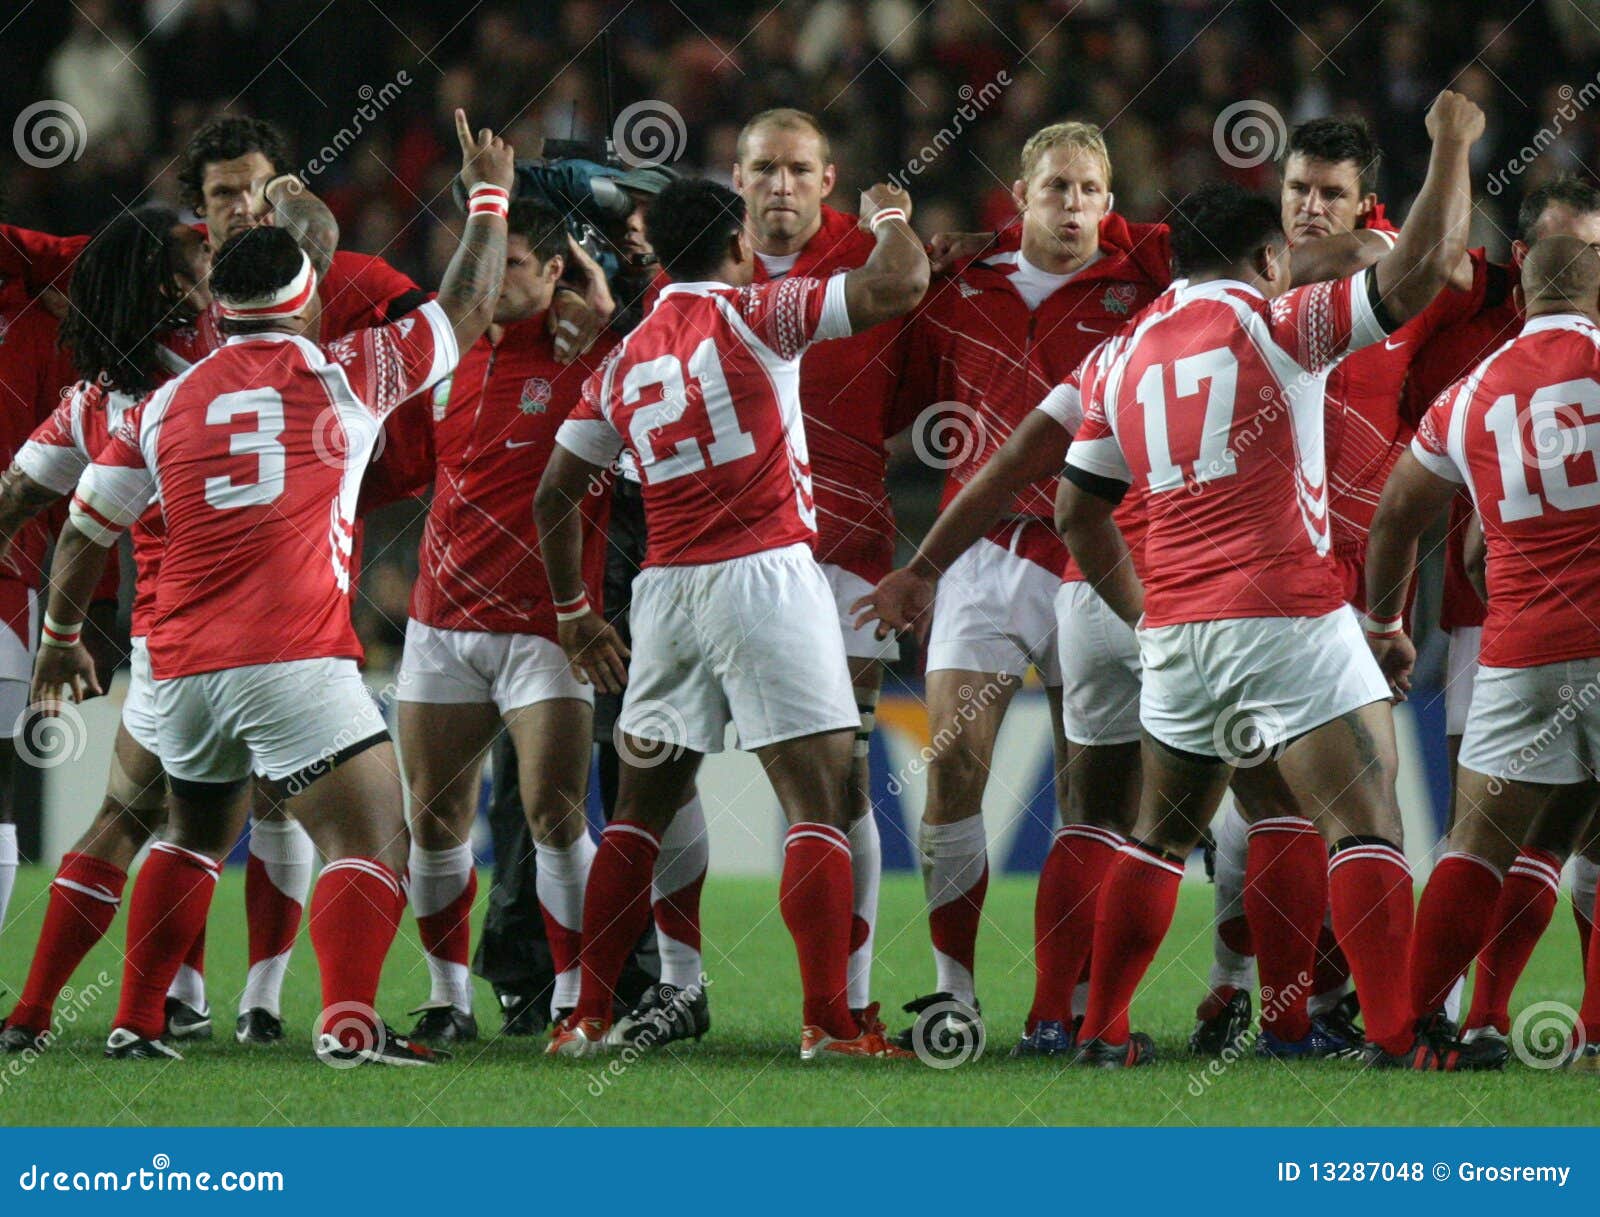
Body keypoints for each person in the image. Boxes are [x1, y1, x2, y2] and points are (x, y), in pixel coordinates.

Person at [30, 110, 512, 1066]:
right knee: (370, 839)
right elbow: (463, 309)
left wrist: (59, 633)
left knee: (182, 834)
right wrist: (487, 197)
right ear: (305, 299)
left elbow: (84, 528)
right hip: (293, 654)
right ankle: (347, 1023)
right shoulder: (347, 374)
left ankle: (134, 1018)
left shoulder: (165, 403)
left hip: (177, 666)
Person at [1054, 90, 1491, 1069]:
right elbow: (1417, 270)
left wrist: (1146, 607)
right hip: (1285, 611)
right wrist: (1453, 146)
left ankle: (1100, 1028)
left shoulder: (1117, 361)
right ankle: (1392, 1035)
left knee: (1156, 836)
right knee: (1365, 821)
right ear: (1263, 257)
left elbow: (1075, 510)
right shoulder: (1278, 322)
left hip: (1174, 632)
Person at [534, 175, 928, 1060]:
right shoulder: (761, 312)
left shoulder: (626, 355)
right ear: (742, 242)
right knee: (817, 800)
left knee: (639, 808)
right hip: (765, 576)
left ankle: (587, 1016)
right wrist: (889, 216)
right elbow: (901, 281)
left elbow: (557, 491)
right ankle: (829, 1021)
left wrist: (572, 612)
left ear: (664, 256)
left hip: (667, 589)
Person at [881, 120, 1170, 1048]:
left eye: (1091, 190)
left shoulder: (1144, 283)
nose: (1074, 205)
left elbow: (1216, 250)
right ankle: (954, 991)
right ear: (1020, 193)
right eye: (1056, 188)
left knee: (1097, 797)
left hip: (1103, 551)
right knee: (953, 767)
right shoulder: (957, 285)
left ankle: (1074, 1006)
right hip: (986, 554)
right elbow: (895, 389)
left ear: (1112, 203)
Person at [1366, 235, 1600, 1064]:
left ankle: (1413, 1031)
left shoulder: (1470, 394)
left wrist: (1385, 623)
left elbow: (1397, 514)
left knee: (1478, 847)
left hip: (1522, 650)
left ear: (1525, 294)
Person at [395, 199, 617, 1045]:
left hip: (547, 631)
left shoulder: (593, 360)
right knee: (433, 818)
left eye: (513, 265)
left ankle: (571, 1000)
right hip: (441, 622)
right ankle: (448, 998)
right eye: (485, 265)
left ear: (559, 272)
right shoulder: (442, 360)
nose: (491, 282)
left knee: (555, 815)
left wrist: (609, 322)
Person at [0, 206, 212, 1054]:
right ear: (169, 281)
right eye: (197, 248)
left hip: (162, 634)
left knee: (130, 813)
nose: (211, 256)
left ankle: (34, 1013)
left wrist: (58, 629)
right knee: (367, 822)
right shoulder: (225, 370)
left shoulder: (90, 402)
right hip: (266, 632)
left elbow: (18, 496)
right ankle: (148, 1015)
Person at [734, 107, 910, 1033]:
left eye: (798, 170)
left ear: (827, 180)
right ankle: (664, 988)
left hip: (844, 553)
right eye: (765, 169)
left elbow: (925, 368)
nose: (782, 187)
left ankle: (848, 998)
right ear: (738, 179)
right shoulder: (696, 266)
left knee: (843, 779)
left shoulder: (872, 267)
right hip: (714, 561)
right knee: (657, 769)